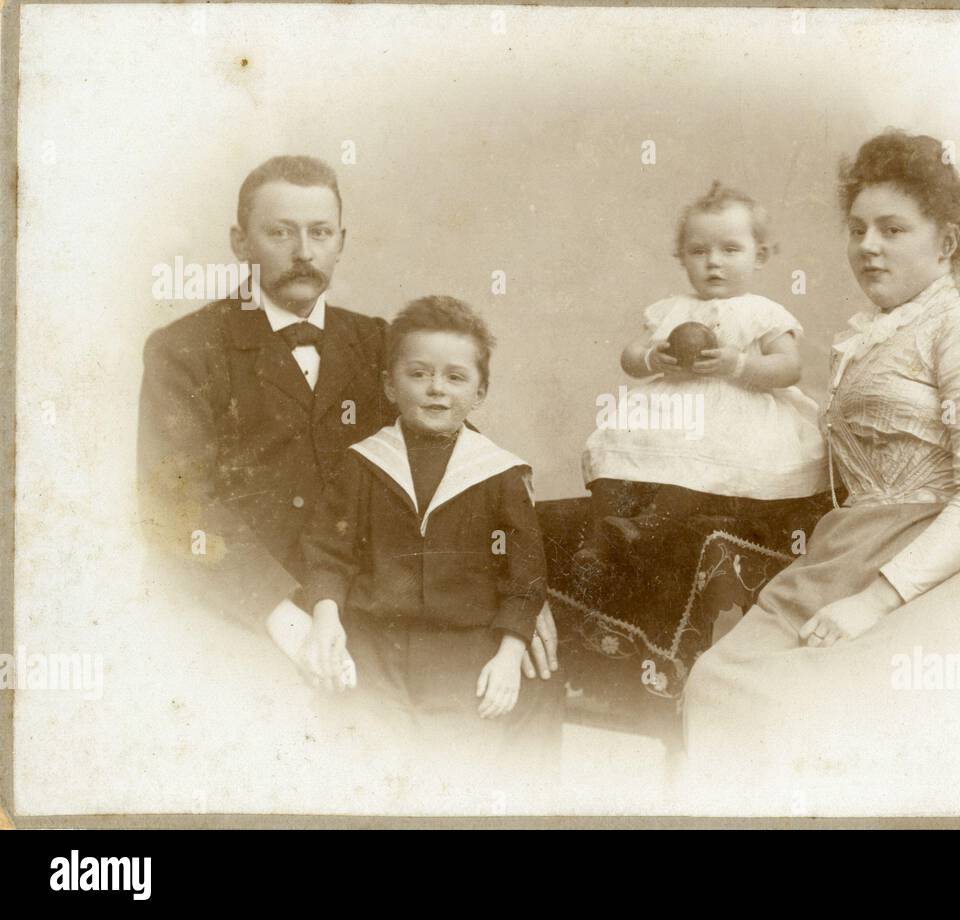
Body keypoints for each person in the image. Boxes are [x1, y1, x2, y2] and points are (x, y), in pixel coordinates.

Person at [681, 132, 960, 814]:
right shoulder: (872, 337)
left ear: (947, 241)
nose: (868, 245)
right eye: (858, 229)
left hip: (952, 577)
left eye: (893, 229)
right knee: (716, 684)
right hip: (845, 552)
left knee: (807, 715)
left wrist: (873, 602)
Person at [137, 155, 558, 678]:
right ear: (240, 242)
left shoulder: (377, 342)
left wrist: (523, 595)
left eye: (320, 233)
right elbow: (176, 505)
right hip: (246, 605)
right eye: (280, 233)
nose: (304, 253)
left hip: (371, 605)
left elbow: (464, 459)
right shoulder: (185, 350)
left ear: (342, 241)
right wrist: (282, 619)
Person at [298, 297, 563, 790]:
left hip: (463, 645)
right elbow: (328, 553)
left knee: (458, 759)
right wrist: (326, 616)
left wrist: (508, 655)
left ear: (480, 391)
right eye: (419, 374)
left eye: (456, 377)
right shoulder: (363, 465)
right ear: (388, 385)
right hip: (376, 640)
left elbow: (524, 577)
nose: (437, 388)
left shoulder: (497, 475)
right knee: (358, 751)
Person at [574, 182, 827, 600]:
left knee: (694, 464)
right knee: (615, 450)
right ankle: (598, 543)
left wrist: (740, 364)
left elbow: (789, 367)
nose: (714, 263)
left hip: (734, 412)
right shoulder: (671, 309)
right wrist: (653, 358)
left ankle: (647, 526)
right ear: (681, 257)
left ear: (759, 255)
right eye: (699, 251)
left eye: (730, 250)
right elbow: (630, 356)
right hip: (672, 407)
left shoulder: (762, 311)